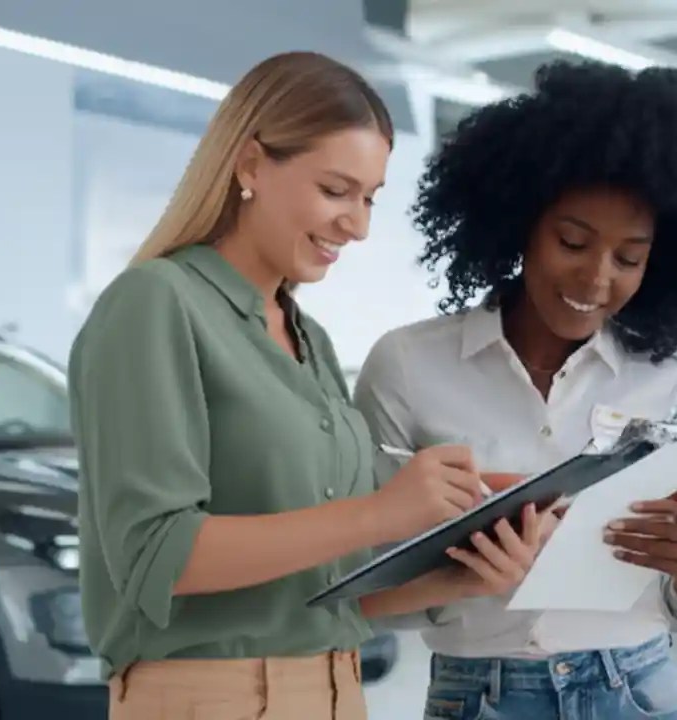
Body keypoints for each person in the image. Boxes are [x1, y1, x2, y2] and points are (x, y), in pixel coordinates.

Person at [68, 51, 553, 720]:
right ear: (249, 165)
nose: (357, 225)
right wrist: (382, 513)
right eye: (335, 190)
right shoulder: (156, 304)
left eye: (369, 198)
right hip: (208, 700)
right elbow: (156, 557)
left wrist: (454, 575)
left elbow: (320, 593)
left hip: (335, 690)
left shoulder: (309, 340)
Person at [353, 60, 677, 720]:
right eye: (572, 241)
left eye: (629, 258)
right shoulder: (407, 366)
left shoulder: (668, 376)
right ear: (521, 222)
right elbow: (363, 592)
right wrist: (465, 576)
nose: (598, 278)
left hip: (640, 688)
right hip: (479, 695)